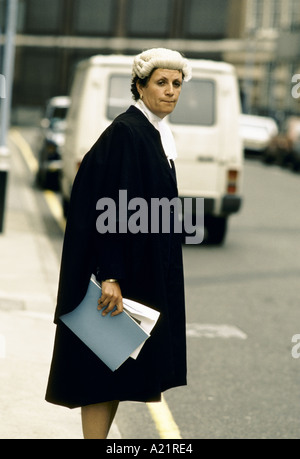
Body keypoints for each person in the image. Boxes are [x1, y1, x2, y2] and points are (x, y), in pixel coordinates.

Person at [45, 48, 192, 439]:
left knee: (111, 366)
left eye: (177, 84)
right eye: (162, 83)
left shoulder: (155, 133)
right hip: (119, 274)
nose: (171, 91)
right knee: (100, 366)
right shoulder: (129, 133)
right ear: (140, 86)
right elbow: (111, 203)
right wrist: (111, 274)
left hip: (139, 268)